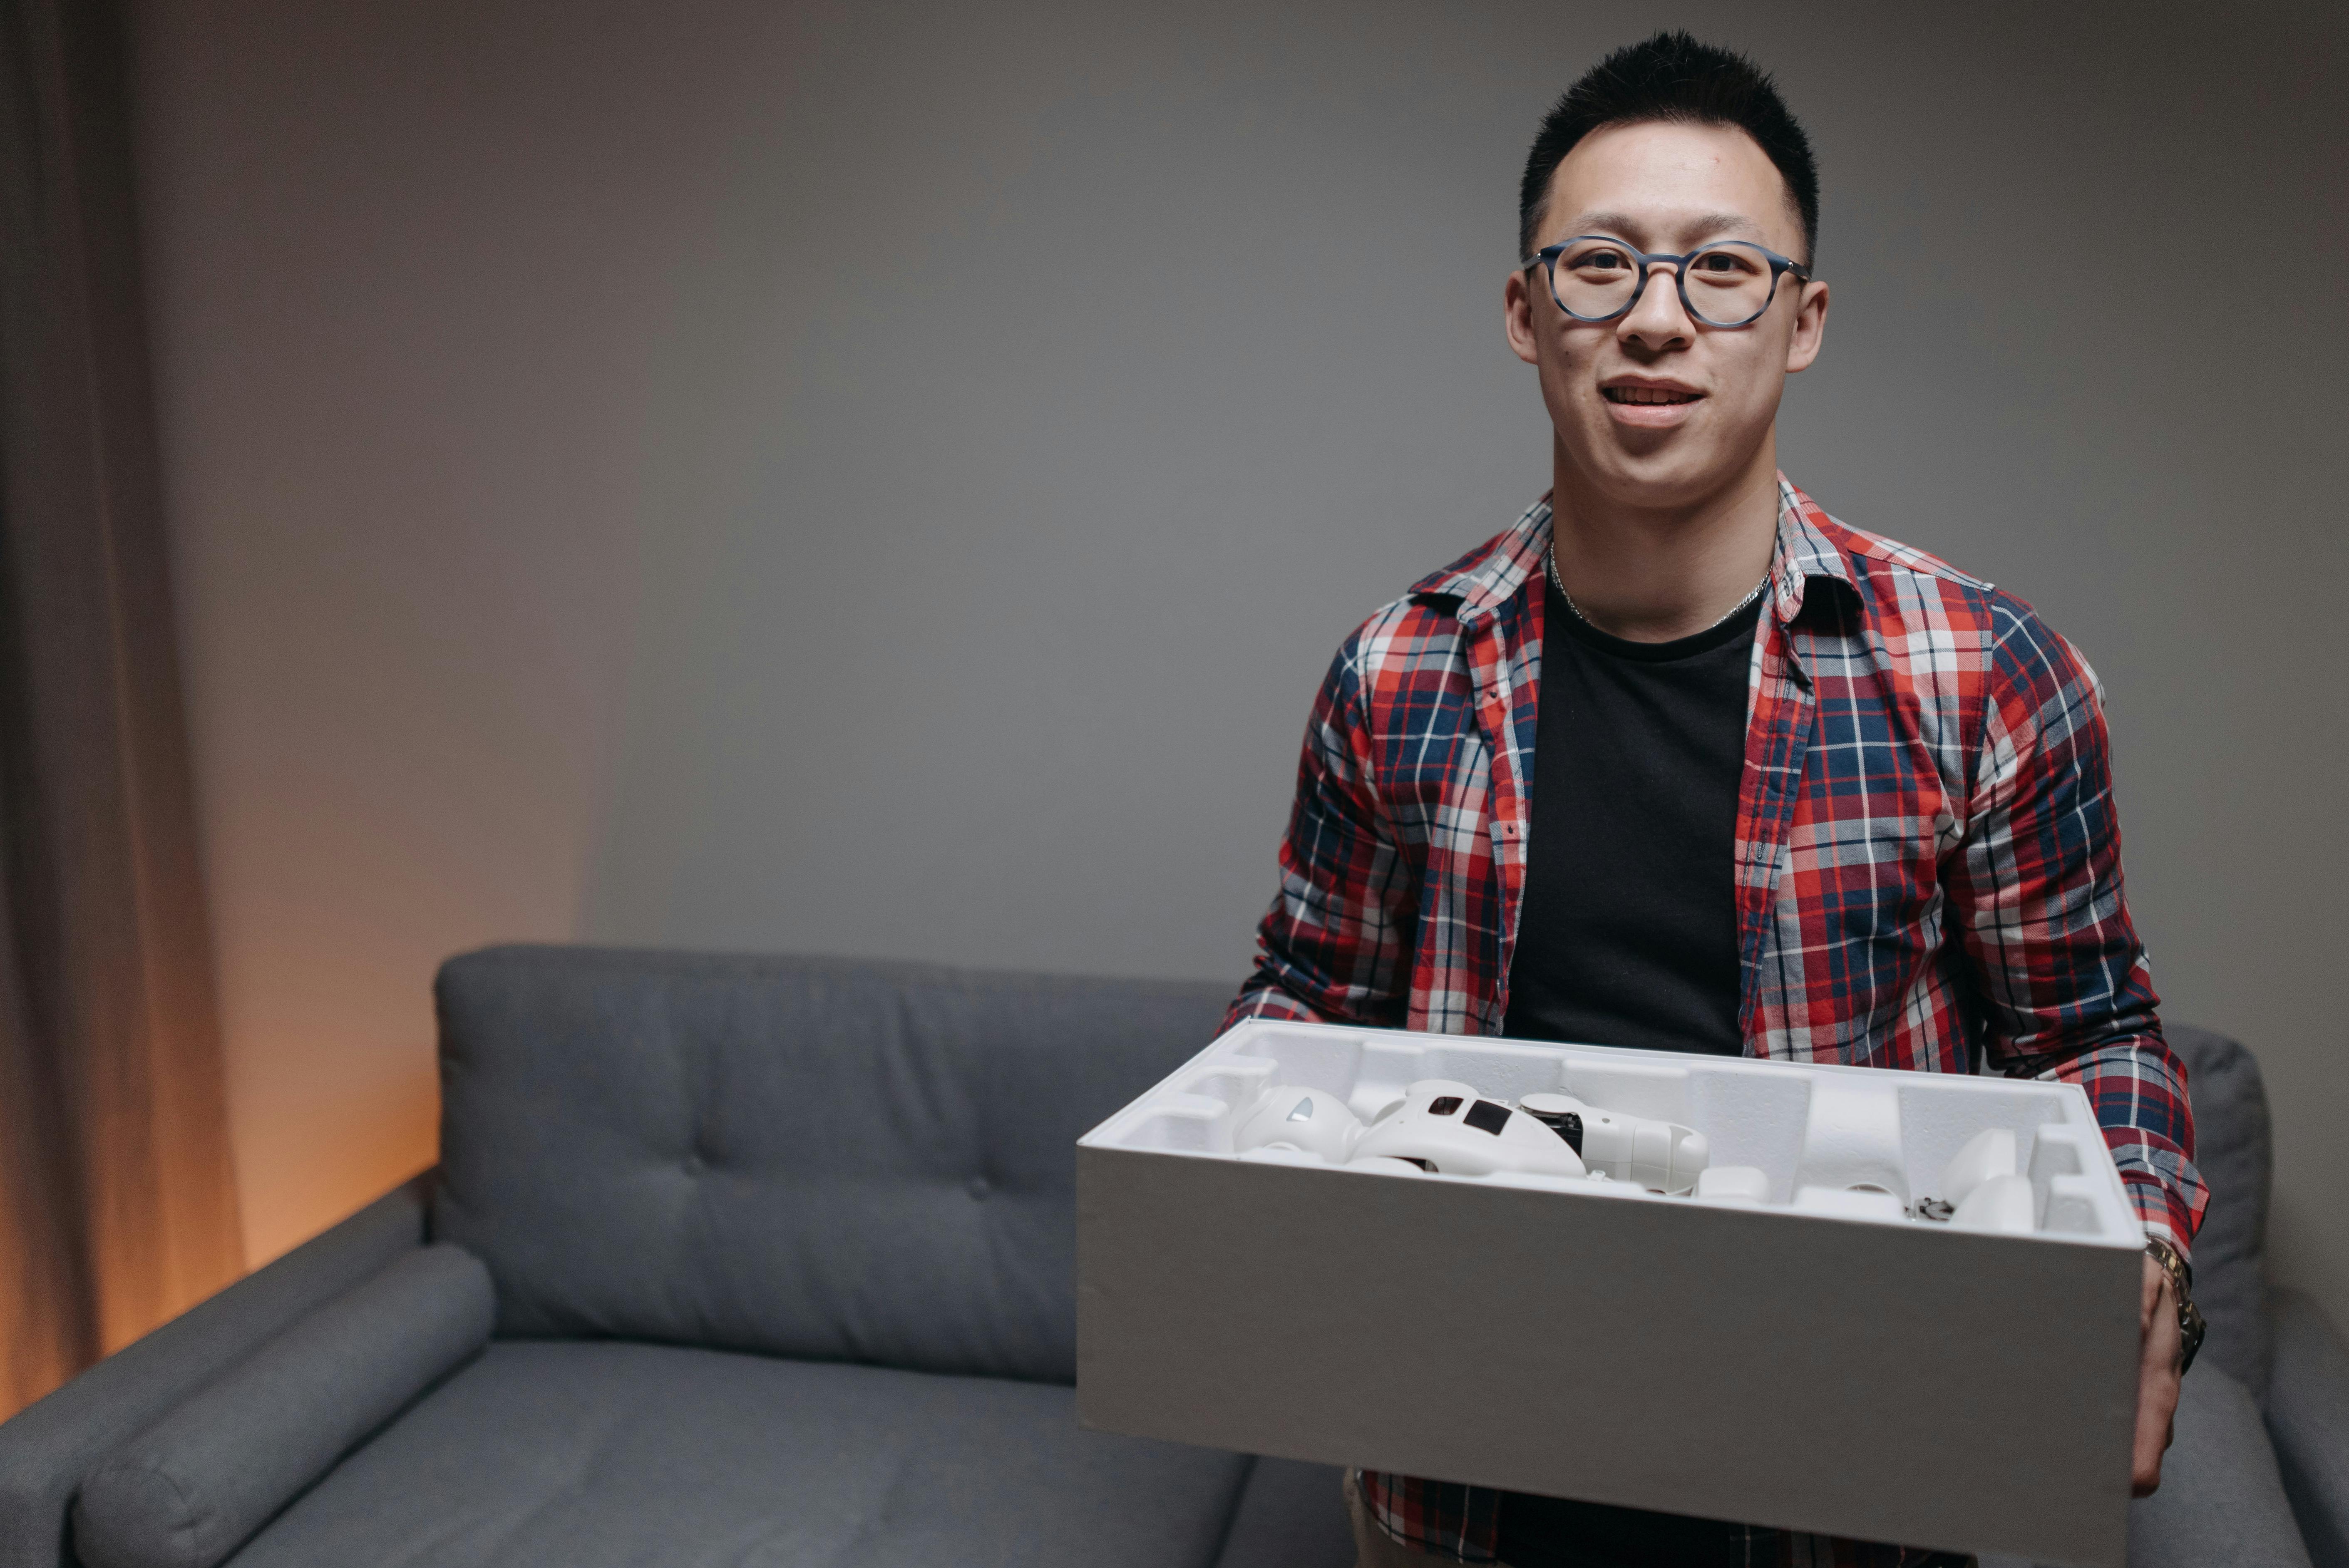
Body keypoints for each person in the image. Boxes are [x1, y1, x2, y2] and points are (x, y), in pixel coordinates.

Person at [1224, 30, 2206, 1568]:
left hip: (1844, 1484)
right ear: (1523, 312)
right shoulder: (1397, 673)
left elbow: (2088, 1037)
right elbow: (1307, 998)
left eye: (1720, 271)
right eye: (1598, 266)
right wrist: (1222, 1166)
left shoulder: (1983, 673)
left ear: (1801, 320)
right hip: (1463, 1485)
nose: (1655, 322)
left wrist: (2143, 1252)